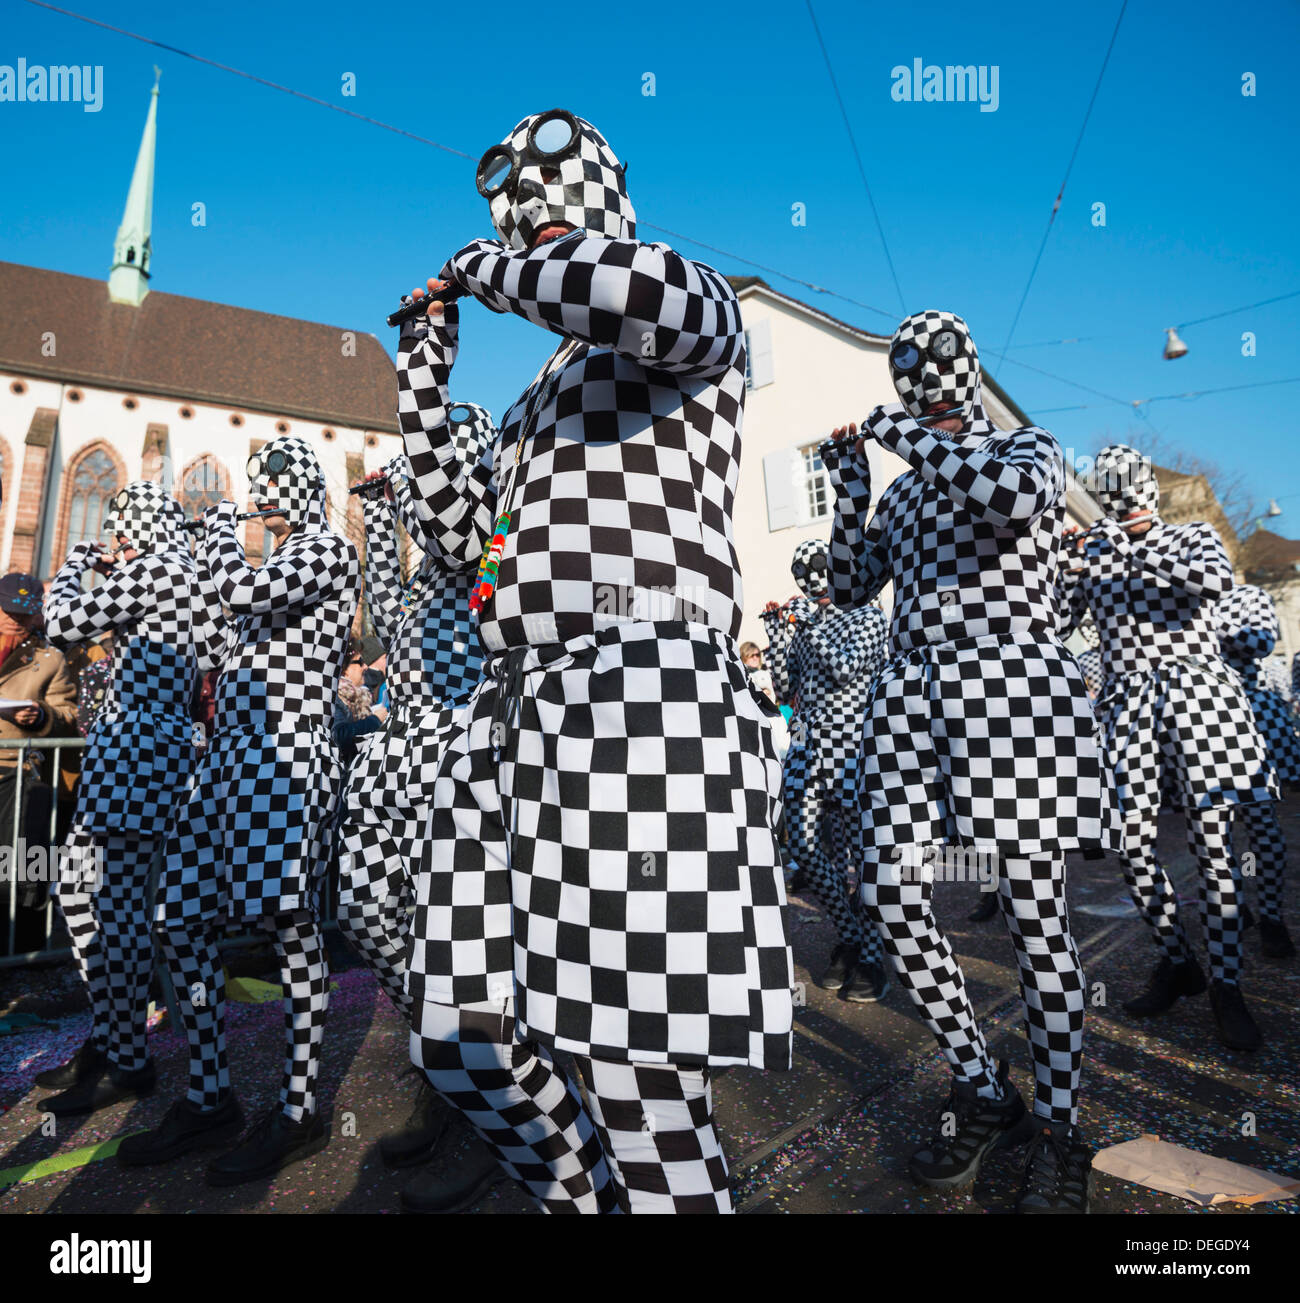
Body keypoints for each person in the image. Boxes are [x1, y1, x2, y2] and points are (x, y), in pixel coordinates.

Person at [396, 108, 792, 1213]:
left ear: (602, 190)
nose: (508, 211)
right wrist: (422, 382)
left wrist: (486, 267)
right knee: (457, 1031)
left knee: (634, 1074)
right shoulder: (534, 404)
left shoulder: (691, 310)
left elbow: (624, 289)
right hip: (512, 710)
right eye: (493, 201)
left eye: (531, 187)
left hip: (640, 697)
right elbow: (463, 540)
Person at [825, 309, 1105, 1213]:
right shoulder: (907, 490)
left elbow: (1013, 503)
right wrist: (849, 487)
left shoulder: (1030, 450)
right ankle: (985, 1086)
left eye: (942, 383)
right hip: (911, 695)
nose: (929, 397)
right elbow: (845, 585)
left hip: (1012, 689)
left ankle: (1063, 1130)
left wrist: (902, 434)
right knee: (894, 888)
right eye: (913, 383)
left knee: (1033, 910)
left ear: (969, 376)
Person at [120, 435, 360, 1185]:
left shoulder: (326, 549)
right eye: (260, 481)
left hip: (284, 759)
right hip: (225, 759)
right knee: (178, 916)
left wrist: (219, 531)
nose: (263, 492)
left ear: (304, 484)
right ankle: (210, 1093)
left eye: (272, 479)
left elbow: (247, 594)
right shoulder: (269, 562)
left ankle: (299, 1109)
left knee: (286, 923)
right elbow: (224, 629)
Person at [1059, 444, 1276, 1051]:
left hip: (1197, 693)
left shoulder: (1190, 537)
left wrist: (1127, 549)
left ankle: (1228, 987)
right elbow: (1053, 623)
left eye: (1127, 486)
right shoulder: (1096, 552)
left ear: (1148, 489)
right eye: (1107, 488)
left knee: (1213, 844)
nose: (1118, 498)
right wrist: (1060, 566)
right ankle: (1178, 961)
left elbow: (1214, 582)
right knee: (1127, 840)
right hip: (1127, 701)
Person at [335, 444, 495, 1213]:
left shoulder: (495, 545)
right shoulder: (422, 570)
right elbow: (385, 630)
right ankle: (444, 1075)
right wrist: (380, 515)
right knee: (367, 914)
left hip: (465, 768)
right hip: (395, 761)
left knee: (468, 954)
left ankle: (493, 1120)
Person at [38, 485, 202, 1115]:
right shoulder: (176, 570)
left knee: (117, 901)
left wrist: (79, 559)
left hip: (139, 747)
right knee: (83, 891)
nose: (117, 545)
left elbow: (61, 626)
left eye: (121, 532)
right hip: (137, 745)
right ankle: (112, 1036)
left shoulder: (161, 567)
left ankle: (127, 1056)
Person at [762, 539, 891, 1002]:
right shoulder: (806, 626)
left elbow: (844, 669)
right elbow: (784, 685)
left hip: (855, 752)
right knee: (805, 847)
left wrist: (806, 627)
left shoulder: (870, 618)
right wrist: (780, 635)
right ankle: (853, 936)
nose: (810, 579)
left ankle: (873, 956)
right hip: (805, 749)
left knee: (863, 859)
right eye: (801, 570)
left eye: (818, 569)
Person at [1212, 583, 1297, 958]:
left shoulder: (1247, 596)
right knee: (1215, 831)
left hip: (1249, 715)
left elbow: (1262, 642)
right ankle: (1237, 908)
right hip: (1201, 718)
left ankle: (1271, 917)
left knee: (1260, 823)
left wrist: (1205, 630)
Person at [0, 573, 78, 955]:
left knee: (27, 866)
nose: (15, 619)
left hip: (21, 771)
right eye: (9, 610)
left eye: (24, 614)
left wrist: (42, 715)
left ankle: (25, 949)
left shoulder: (50, 658)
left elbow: (68, 712)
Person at [333, 634, 387, 767]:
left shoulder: (354, 698)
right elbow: (339, 736)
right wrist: (375, 720)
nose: (365, 667)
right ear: (344, 670)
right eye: (360, 661)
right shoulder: (335, 700)